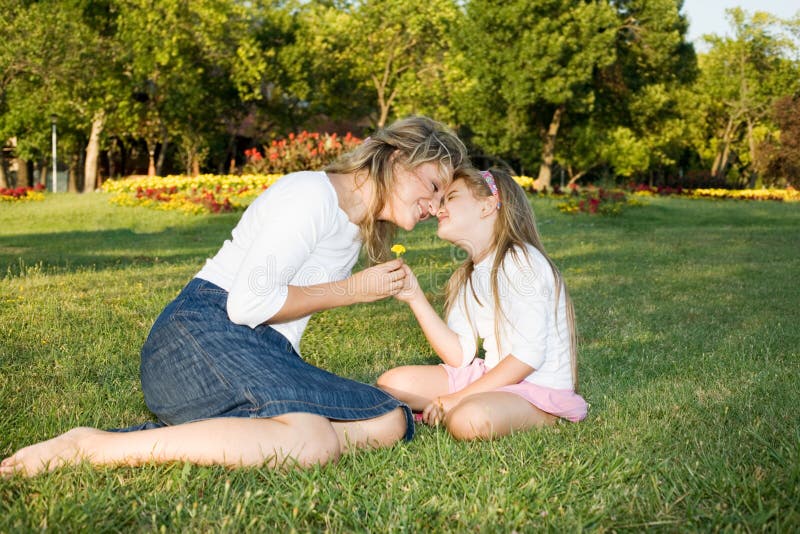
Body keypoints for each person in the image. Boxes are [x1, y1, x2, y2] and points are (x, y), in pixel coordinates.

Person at [1, 116, 468, 477]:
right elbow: (247, 305)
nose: (433, 205)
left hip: (254, 348)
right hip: (198, 335)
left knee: (390, 421)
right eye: (432, 186)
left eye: (442, 198)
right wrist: (354, 290)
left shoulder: (352, 228)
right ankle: (93, 447)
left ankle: (232, 436)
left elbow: (279, 331)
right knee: (313, 442)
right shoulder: (311, 196)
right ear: (396, 157)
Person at [377, 167, 588, 440]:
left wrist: (455, 399)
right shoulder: (469, 274)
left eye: (450, 197)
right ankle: (478, 402)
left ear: (488, 206)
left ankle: (546, 415)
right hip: (492, 376)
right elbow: (459, 356)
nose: (439, 208)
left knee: (469, 420)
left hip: (535, 386)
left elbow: (529, 356)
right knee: (391, 384)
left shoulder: (521, 262)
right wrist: (415, 298)